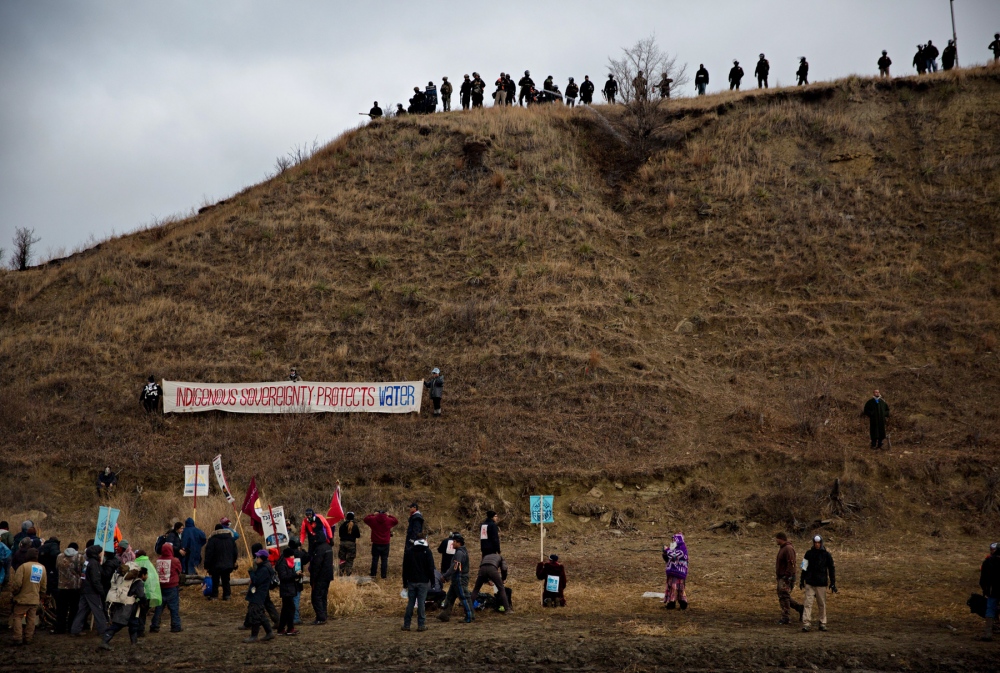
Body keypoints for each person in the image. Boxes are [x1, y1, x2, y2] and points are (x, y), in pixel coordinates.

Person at [99, 563, 146, 650]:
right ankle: (105, 641)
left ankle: (134, 642)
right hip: (129, 606)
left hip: (120, 603)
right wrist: (144, 603)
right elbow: (141, 595)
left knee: (133, 624)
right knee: (118, 624)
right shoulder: (138, 582)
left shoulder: (120, 579)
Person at [10, 547, 46, 646]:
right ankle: (28, 638)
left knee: (17, 617)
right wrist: (41, 595)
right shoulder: (42, 568)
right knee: (31, 619)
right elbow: (43, 586)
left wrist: (14, 593)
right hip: (34, 599)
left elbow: (17, 583)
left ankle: (18, 638)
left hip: (22, 598)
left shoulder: (23, 567)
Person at [800, 535, 837, 632]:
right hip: (810, 582)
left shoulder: (826, 555)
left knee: (822, 604)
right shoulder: (808, 554)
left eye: (818, 543)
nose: (817, 544)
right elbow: (804, 568)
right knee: (808, 603)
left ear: (821, 543)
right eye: (815, 543)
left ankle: (822, 623)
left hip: (821, 583)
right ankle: (806, 623)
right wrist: (801, 579)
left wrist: (833, 582)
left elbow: (831, 568)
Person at [71, 544, 109, 635]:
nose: (100, 555)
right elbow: (95, 580)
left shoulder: (86, 562)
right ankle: (103, 630)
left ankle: (75, 630)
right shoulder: (94, 564)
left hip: (84, 589)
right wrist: (101, 591)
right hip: (92, 591)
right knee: (98, 610)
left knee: (82, 611)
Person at [401, 535, 435, 631]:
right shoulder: (427, 552)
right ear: (424, 539)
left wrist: (404, 583)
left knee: (410, 603)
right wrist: (432, 581)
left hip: (411, 581)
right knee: (421, 603)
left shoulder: (409, 551)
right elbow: (430, 568)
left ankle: (407, 624)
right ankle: (421, 625)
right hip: (423, 582)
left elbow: (405, 569)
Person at [437, 534, 474, 623]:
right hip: (456, 577)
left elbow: (454, 567)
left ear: (459, 543)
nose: (452, 543)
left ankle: (469, 616)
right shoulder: (460, 551)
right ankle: (445, 614)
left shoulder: (459, 553)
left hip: (460, 578)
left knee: (464, 597)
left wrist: (445, 576)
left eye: (454, 542)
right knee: (450, 597)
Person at [244, 549, 276, 643]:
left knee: (255, 614)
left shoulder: (264, 569)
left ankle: (254, 636)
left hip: (258, 594)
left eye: (258, 557)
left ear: (262, 558)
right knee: (259, 614)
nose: (256, 559)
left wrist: (251, 572)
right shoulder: (263, 567)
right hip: (259, 594)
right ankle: (269, 632)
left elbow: (256, 581)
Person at [150, 542, 182, 633]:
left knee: (159, 607)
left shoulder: (158, 561)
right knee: (174, 607)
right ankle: (175, 626)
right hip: (172, 586)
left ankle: (154, 626)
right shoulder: (175, 560)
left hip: (160, 586)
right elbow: (179, 570)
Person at [774, 532, 804, 624]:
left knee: (784, 596)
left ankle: (786, 616)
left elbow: (791, 564)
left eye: (776, 539)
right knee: (783, 596)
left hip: (786, 577)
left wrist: (787, 576)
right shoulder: (783, 548)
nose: (775, 541)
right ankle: (799, 608)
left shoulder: (788, 549)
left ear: (780, 539)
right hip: (782, 576)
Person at [204, 523, 238, 600]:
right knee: (226, 580)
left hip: (215, 565)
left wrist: (206, 565)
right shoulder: (231, 539)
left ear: (215, 530)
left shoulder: (212, 540)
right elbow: (235, 552)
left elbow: (209, 554)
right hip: (228, 564)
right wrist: (233, 562)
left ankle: (214, 596)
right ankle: (227, 595)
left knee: (215, 580)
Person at [54, 542, 82, 634]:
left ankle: (60, 628)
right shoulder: (79, 557)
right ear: (76, 549)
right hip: (75, 587)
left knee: (61, 609)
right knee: (74, 609)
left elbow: (57, 568)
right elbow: (82, 571)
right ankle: (71, 628)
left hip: (61, 587)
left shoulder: (59, 556)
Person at [308, 530, 333, 624]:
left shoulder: (319, 549)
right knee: (323, 596)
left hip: (319, 577)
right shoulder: (328, 547)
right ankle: (324, 615)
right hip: (328, 576)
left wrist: (312, 578)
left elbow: (316, 565)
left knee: (316, 597)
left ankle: (321, 617)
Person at [133, 548, 160, 637]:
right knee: (143, 614)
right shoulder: (150, 565)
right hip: (148, 595)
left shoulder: (135, 564)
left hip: (137, 594)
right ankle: (141, 630)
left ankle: (136, 631)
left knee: (135, 613)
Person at [364, 509, 398, 579]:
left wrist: (373, 514)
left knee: (375, 559)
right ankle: (383, 576)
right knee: (384, 560)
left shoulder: (373, 519)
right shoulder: (388, 520)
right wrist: (389, 515)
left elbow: (365, 519)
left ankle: (373, 575)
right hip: (385, 543)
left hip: (376, 543)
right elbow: (396, 521)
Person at [275, 547, 302, 636]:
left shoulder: (288, 563)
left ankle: (281, 628)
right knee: (290, 609)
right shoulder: (283, 564)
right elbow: (283, 577)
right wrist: (295, 575)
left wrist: (297, 575)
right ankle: (290, 628)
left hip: (289, 589)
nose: (293, 557)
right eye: (292, 555)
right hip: (286, 589)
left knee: (285, 610)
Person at [662, 532, 689, 610]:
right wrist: (664, 554)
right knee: (671, 587)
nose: (672, 542)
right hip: (672, 571)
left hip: (678, 572)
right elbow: (669, 559)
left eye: (674, 540)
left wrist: (667, 550)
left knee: (678, 588)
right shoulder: (674, 549)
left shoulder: (682, 549)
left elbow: (673, 555)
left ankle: (683, 602)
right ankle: (672, 603)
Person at [979, 542, 1000, 641]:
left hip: (993, 590)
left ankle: (988, 633)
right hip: (994, 589)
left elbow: (983, 578)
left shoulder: (988, 561)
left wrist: (985, 589)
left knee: (990, 609)